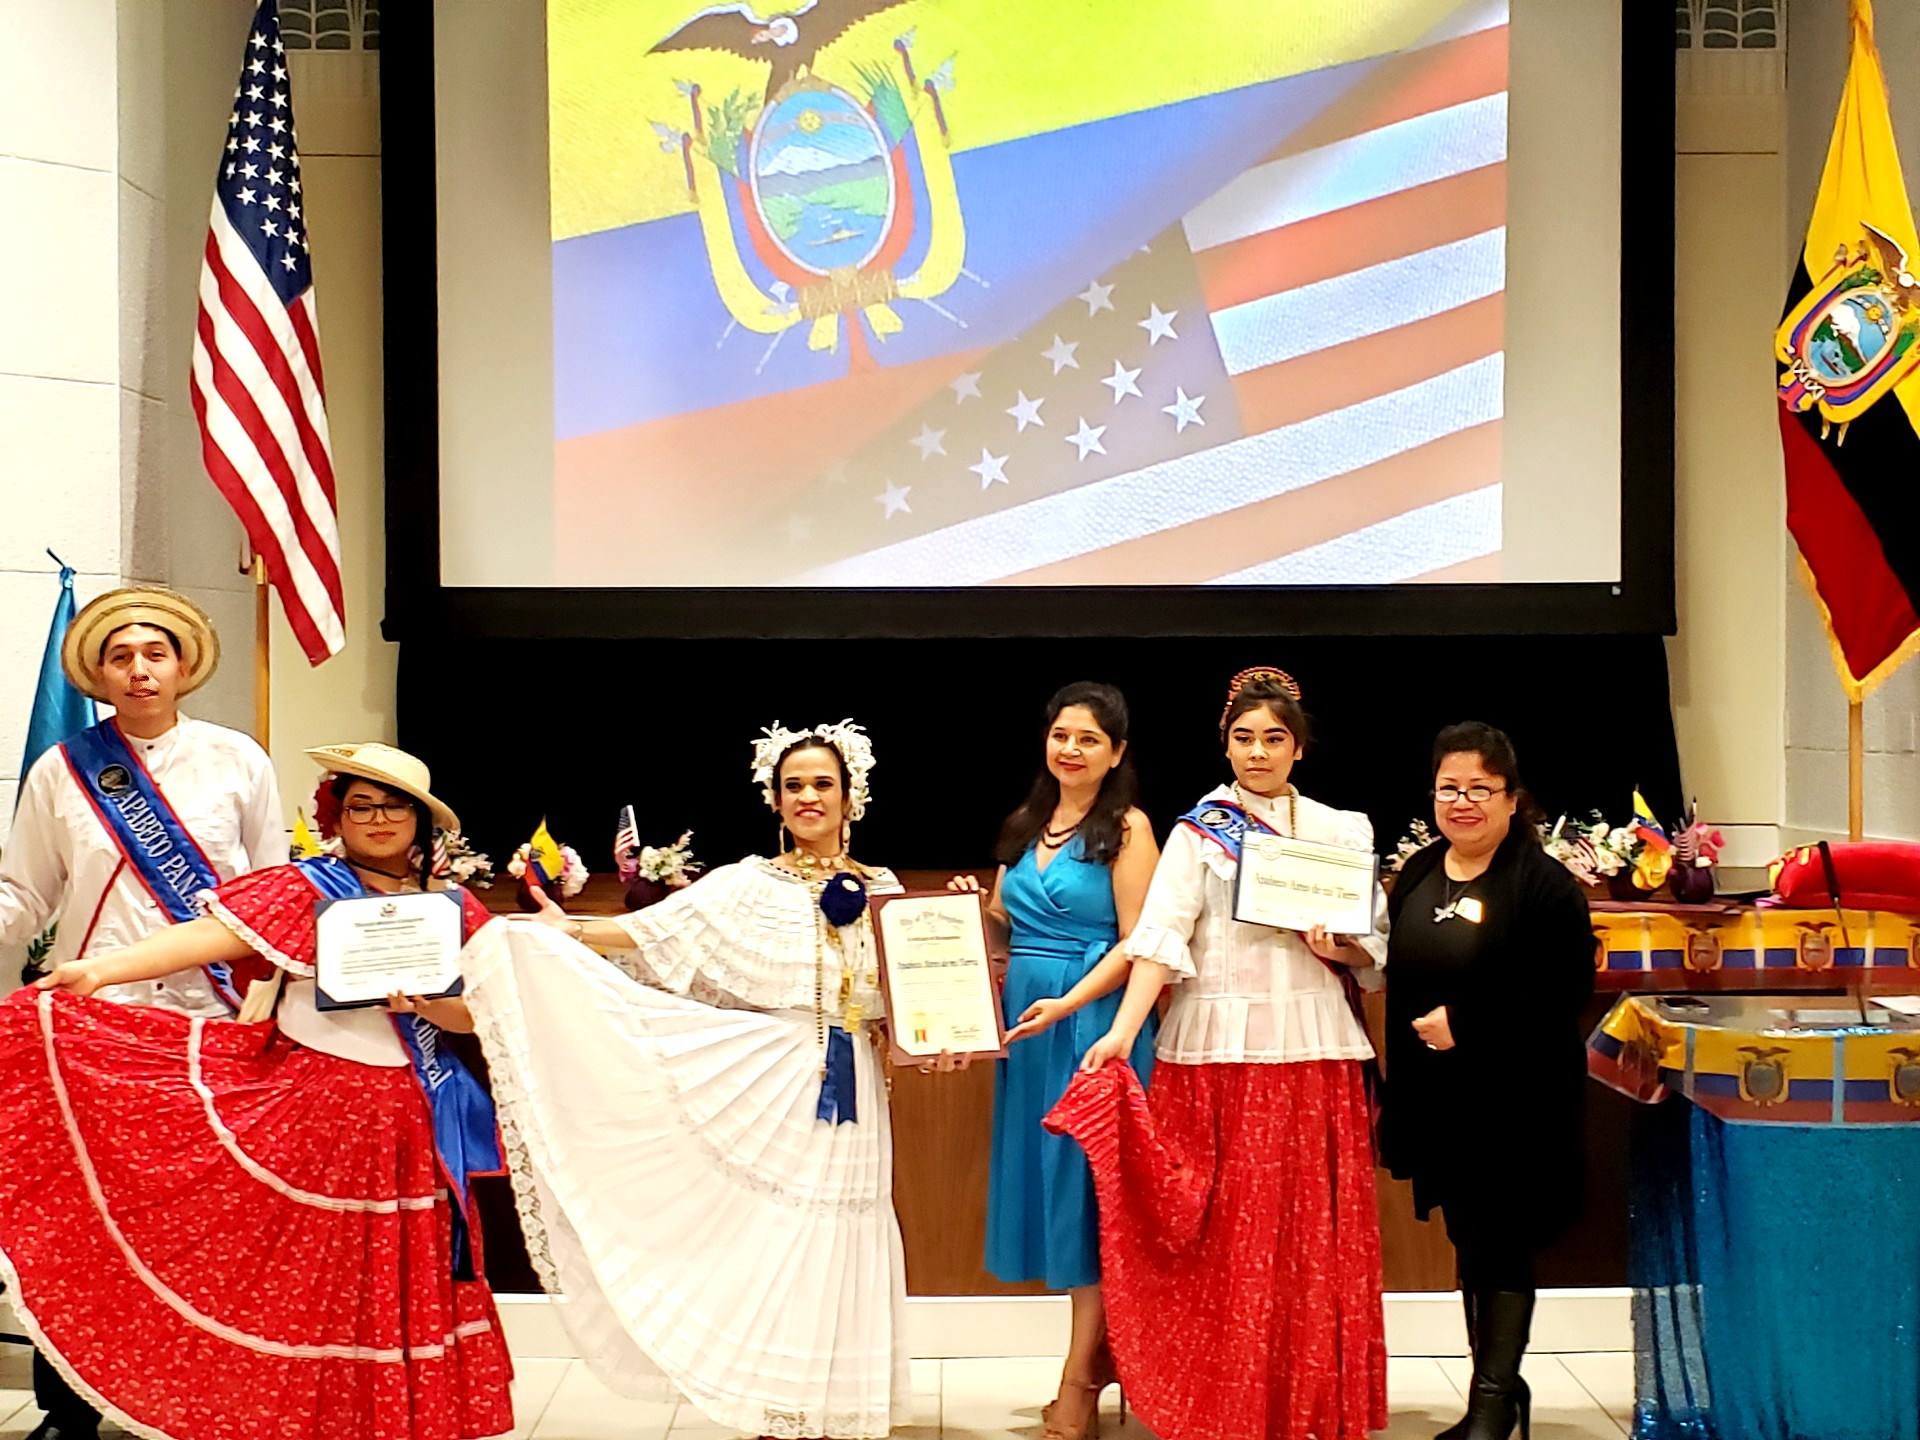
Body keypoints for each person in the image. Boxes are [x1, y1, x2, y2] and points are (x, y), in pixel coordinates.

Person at [0, 743, 514, 1440]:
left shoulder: (453, 908)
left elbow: (476, 1013)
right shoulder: (303, 888)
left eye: (395, 805)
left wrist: (425, 1003)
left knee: (392, 1278)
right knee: (309, 1284)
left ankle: (385, 1421)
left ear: (424, 823)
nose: (378, 818)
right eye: (361, 804)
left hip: (410, 1121)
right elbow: (206, 938)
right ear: (338, 815)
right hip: (314, 1110)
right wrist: (101, 970)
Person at [462, 719, 915, 1440]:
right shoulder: (743, 884)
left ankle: (831, 1408)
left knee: (842, 1230)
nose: (807, 797)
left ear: (850, 795)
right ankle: (774, 1408)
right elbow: (650, 934)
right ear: (774, 799)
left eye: (822, 784)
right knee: (776, 1234)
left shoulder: (884, 890)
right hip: (770, 1075)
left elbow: (908, 996)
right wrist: (564, 929)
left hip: (853, 1079)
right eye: (792, 785)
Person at [1044, 666, 1389, 1440]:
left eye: (1274, 739)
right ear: (1224, 744)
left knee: (1305, 1244)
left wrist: (1345, 944)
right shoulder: (1200, 830)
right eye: (1243, 738)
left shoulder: (1341, 832)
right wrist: (1123, 1031)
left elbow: (1376, 950)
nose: (1258, 753)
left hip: (1313, 1052)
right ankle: (1227, 1399)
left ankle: (1302, 1402)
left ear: (1299, 747)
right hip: (1215, 1057)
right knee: (1224, 1239)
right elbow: (1160, 939)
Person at [0, 585, 285, 1440]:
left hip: (211, 1022)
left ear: (184, 664)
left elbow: (268, 898)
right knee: (82, 1214)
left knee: (199, 1219)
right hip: (98, 1025)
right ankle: (71, 1403)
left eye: (154, 653)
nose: (139, 669)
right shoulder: (64, 769)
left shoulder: (238, 759)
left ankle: (200, 1394)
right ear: (98, 671)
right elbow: (23, 893)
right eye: (120, 656)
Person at [947, 682, 1158, 1440]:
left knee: (1087, 1203)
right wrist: (974, 911)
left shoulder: (1129, 828)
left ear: (1117, 753)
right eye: (1061, 734)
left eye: (1089, 739)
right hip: (1027, 1029)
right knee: (1052, 1194)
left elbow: (1141, 941)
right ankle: (1086, 1369)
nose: (1071, 748)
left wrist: (1070, 1006)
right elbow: (1004, 932)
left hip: (1092, 1026)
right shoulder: (1027, 823)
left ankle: (1081, 1385)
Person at [1382, 722, 1594, 1440]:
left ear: (1511, 799)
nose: (1462, 802)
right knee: (1470, 1241)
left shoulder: (1544, 886)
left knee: (1502, 1241)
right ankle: (1492, 1396)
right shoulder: (1418, 871)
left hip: (1516, 1104)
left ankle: (1495, 1403)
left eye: (1480, 788)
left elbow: (1564, 990)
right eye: (1449, 788)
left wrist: (1466, 1023)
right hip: (1439, 1103)